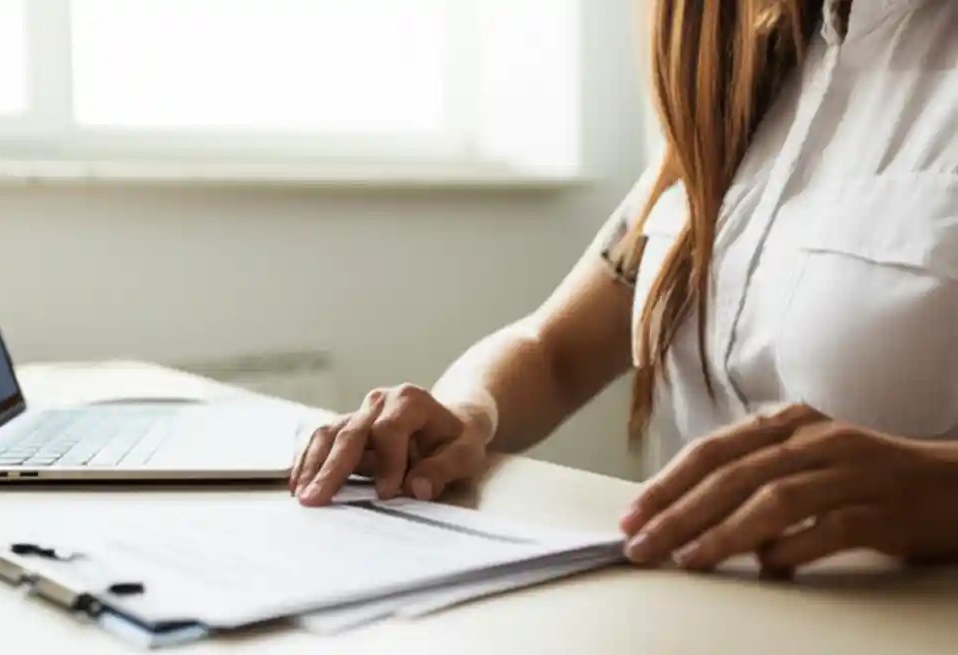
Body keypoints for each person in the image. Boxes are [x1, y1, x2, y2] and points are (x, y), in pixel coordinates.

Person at [291, 0, 958, 573]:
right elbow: (553, 349)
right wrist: (466, 412)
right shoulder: (756, 82)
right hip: (688, 611)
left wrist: (937, 486)